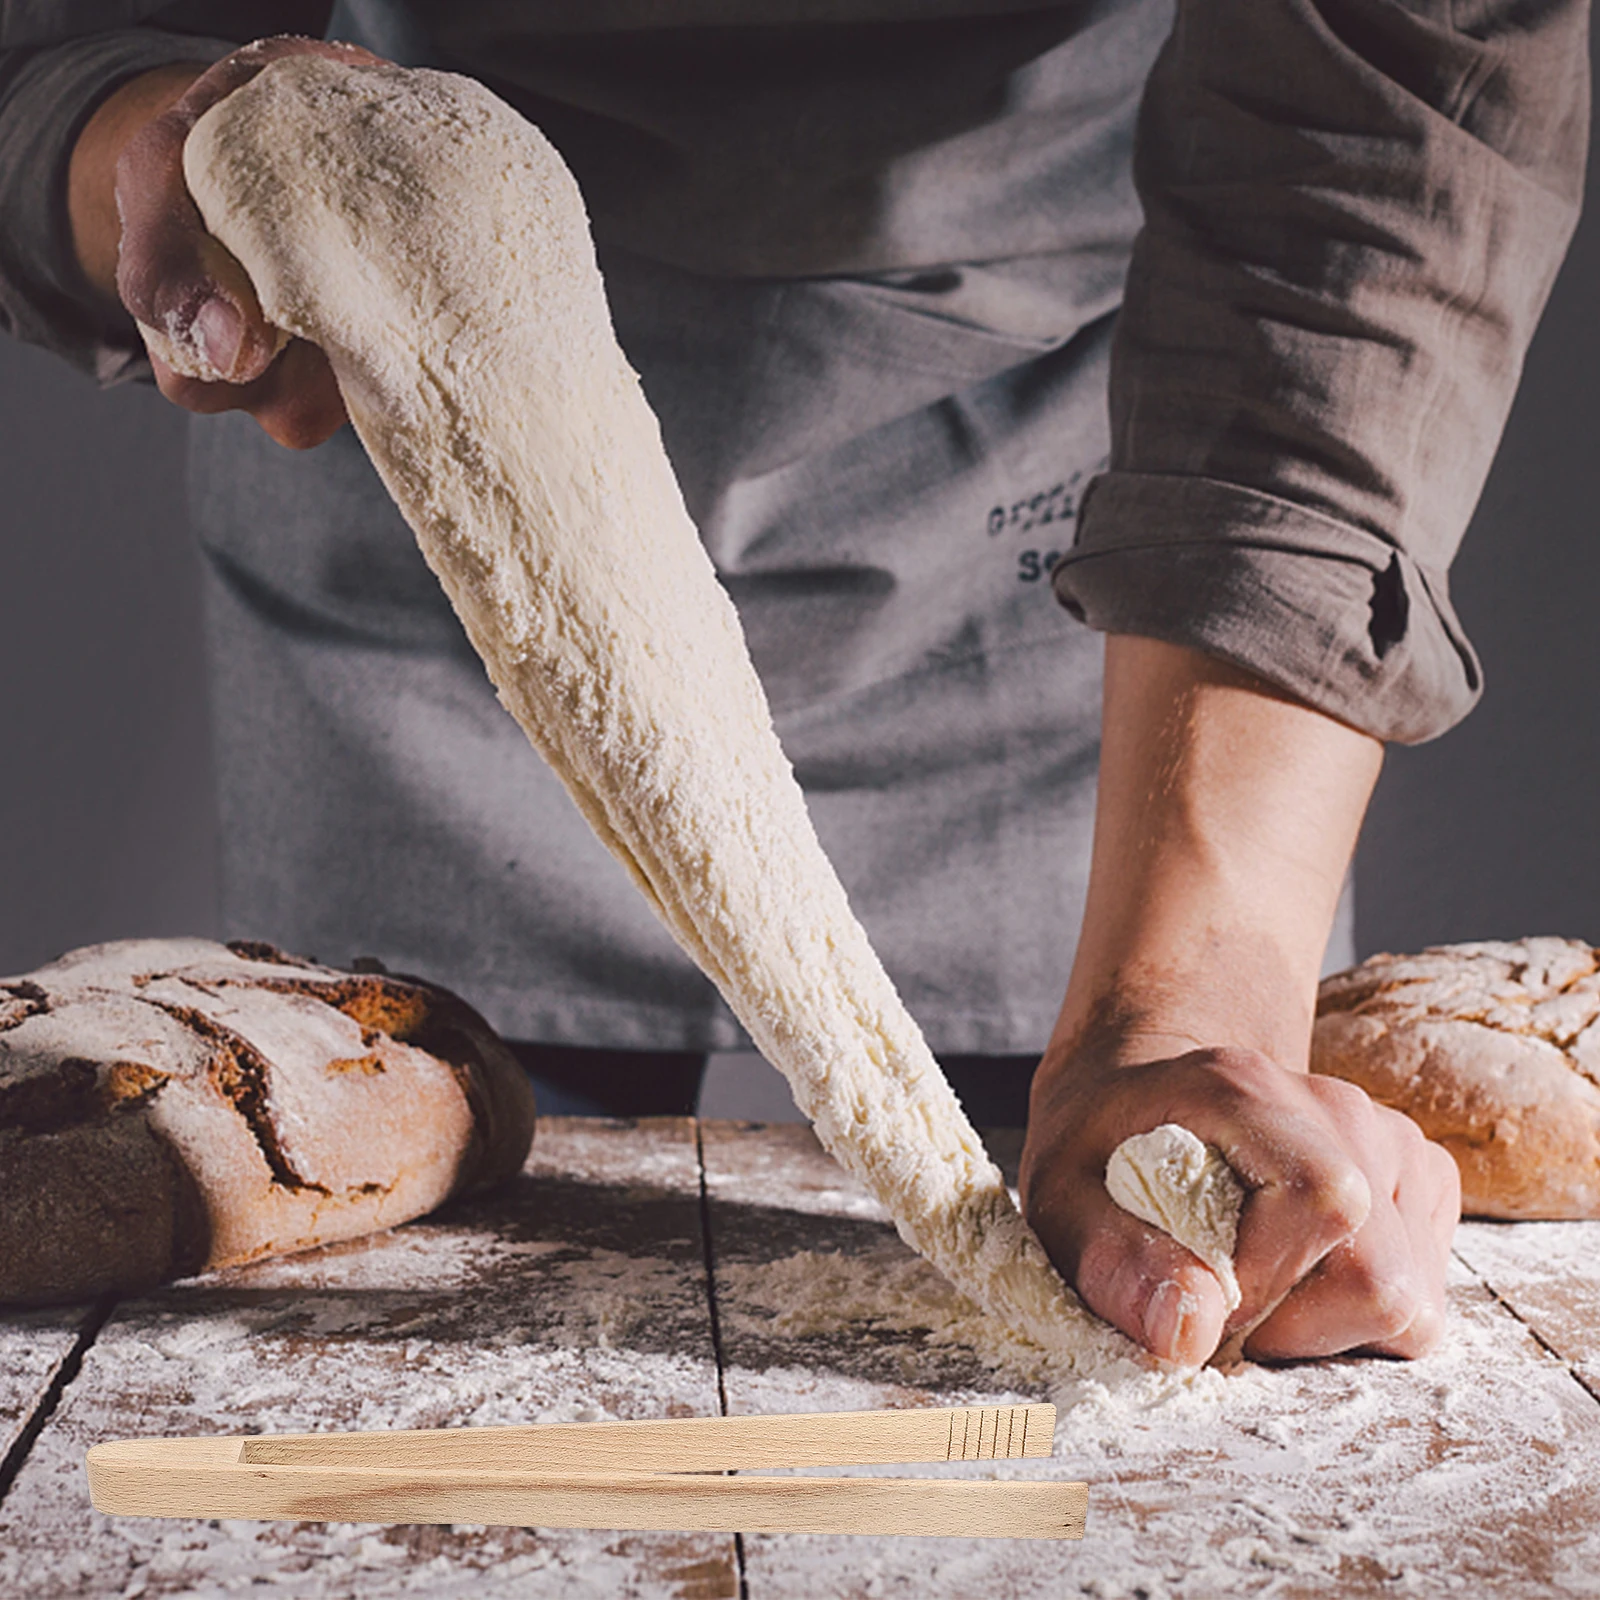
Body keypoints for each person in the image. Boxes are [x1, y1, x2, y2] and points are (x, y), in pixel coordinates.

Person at [1, 2, 1585, 1367]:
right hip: (418, 455)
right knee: (391, 1271)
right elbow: (47, 50)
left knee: (1146, 1243)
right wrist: (174, 152)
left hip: (1099, 541)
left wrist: (1190, 995)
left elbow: (1372, 158)